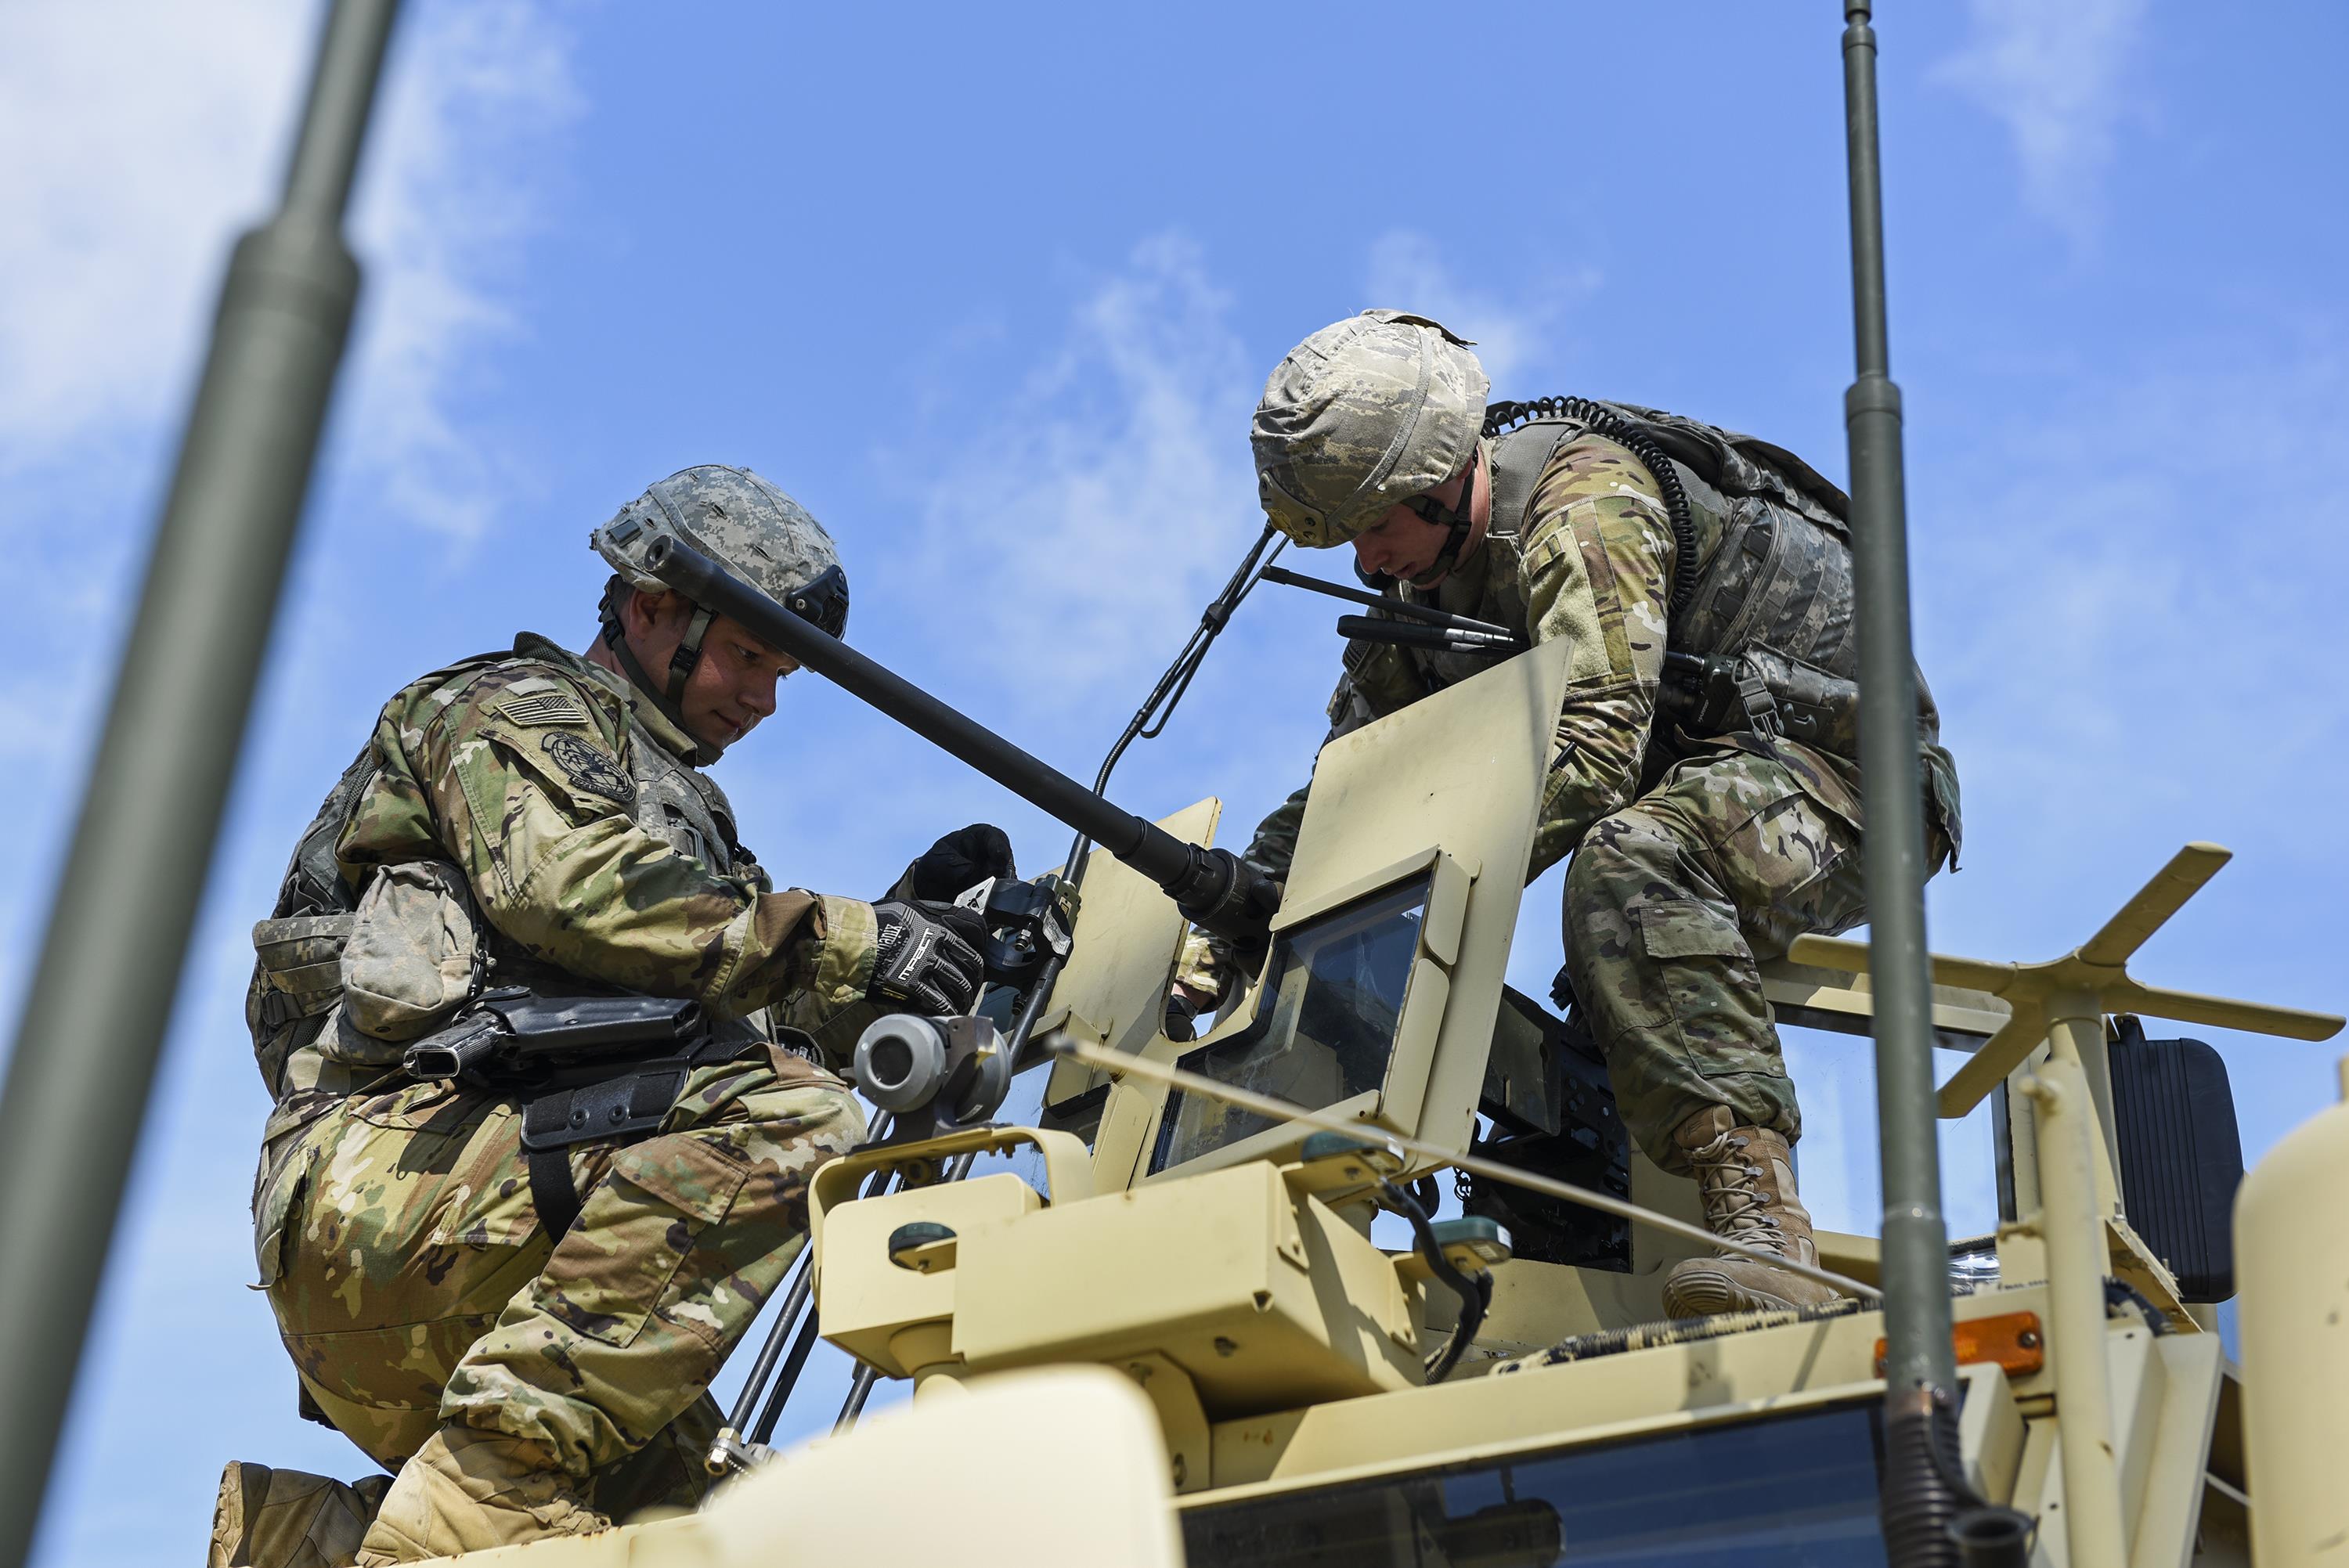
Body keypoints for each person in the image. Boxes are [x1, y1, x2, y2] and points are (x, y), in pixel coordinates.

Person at [211, 466, 1011, 1566]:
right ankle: (490, 1481)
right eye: (748, 657)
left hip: (474, 1242)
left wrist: (896, 945)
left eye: (781, 674)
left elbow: (719, 1028)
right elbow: (569, 889)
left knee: (725, 1541)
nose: (764, 700)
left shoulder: (674, 810)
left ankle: (319, 1543)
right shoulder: (505, 709)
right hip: (384, 1199)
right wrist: (846, 938)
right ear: (650, 607)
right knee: (796, 1124)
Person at [1181, 311, 1961, 1320]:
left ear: (1438, 478)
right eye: (1345, 538)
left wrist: (1392, 893)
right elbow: (1353, 787)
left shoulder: (1587, 513)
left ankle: (1767, 1233)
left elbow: (1593, 755)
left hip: (1855, 781)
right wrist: (1237, 913)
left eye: (1374, 526)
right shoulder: (1417, 587)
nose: (1367, 561)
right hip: (1700, 784)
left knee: (1632, 867)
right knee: (1580, 997)